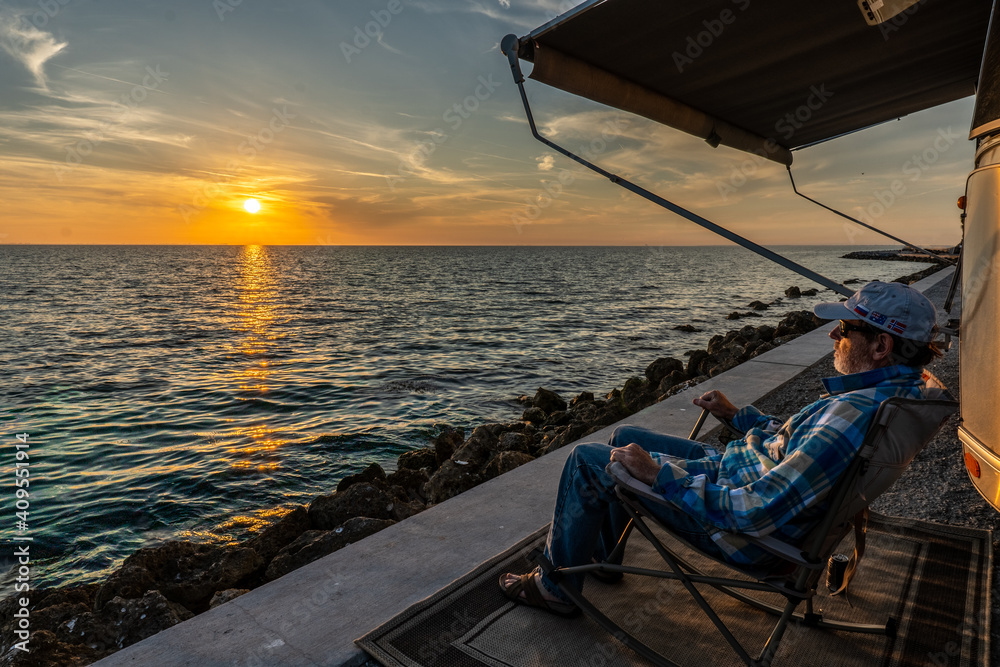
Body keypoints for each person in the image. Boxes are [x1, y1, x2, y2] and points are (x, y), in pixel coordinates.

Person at [500, 280, 944, 616]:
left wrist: (659, 475)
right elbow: (796, 448)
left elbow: (757, 509)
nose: (834, 336)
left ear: (881, 345)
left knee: (586, 459)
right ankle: (605, 561)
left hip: (746, 535)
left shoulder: (850, 416)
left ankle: (554, 589)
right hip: (739, 474)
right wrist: (737, 417)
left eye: (846, 328)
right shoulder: (890, 396)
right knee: (623, 437)